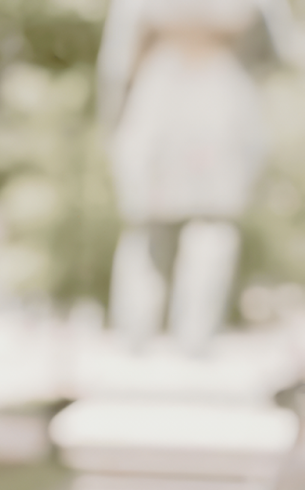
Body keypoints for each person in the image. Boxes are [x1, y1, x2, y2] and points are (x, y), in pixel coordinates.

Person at [98, 0, 297, 355]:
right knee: (168, 228)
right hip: (178, 97)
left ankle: (171, 338)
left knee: (196, 227)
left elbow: (119, 61)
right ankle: (156, 337)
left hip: (206, 97)